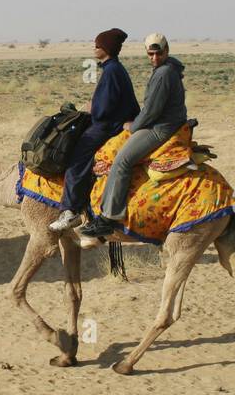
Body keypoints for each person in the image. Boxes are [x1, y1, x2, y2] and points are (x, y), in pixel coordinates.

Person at [79, 33, 187, 238]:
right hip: (165, 123)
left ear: (167, 51)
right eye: (151, 54)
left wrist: (133, 126)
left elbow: (151, 111)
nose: (155, 58)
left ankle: (108, 218)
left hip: (160, 128)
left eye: (159, 53)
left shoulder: (164, 73)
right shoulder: (168, 68)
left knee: (121, 161)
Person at [50, 28, 138, 232]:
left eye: (98, 45)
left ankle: (70, 211)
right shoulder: (113, 69)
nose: (94, 48)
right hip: (113, 122)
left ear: (106, 49)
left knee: (77, 158)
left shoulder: (112, 72)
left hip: (108, 126)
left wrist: (90, 111)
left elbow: (103, 110)